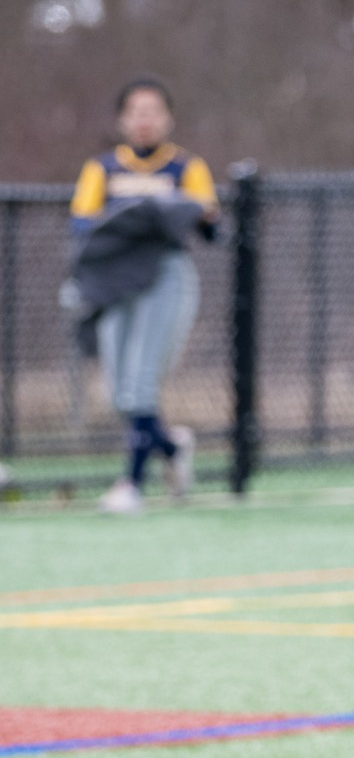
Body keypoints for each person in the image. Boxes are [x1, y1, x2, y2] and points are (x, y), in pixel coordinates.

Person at [69, 78, 218, 514]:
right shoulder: (103, 168)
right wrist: (137, 216)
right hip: (117, 280)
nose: (144, 120)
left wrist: (187, 213)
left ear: (168, 118)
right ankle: (171, 447)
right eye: (136, 111)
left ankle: (130, 484)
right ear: (122, 120)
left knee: (141, 381)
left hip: (163, 278)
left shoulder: (186, 167)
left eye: (152, 111)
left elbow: (210, 225)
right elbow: (82, 225)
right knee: (120, 392)